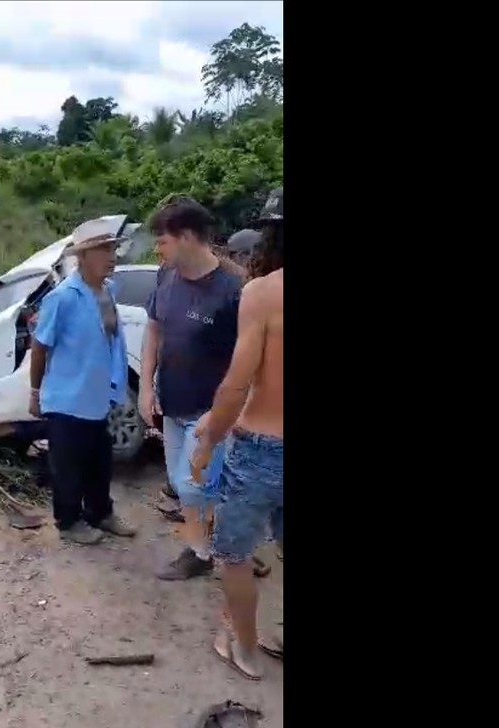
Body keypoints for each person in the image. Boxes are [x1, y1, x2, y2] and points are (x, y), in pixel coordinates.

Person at [191, 190, 283, 680]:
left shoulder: (264, 293)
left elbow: (237, 382)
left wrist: (208, 439)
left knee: (233, 555)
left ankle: (245, 650)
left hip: (264, 450)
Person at [139, 195, 244, 580]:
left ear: (185, 237)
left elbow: (248, 361)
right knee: (187, 487)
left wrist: (224, 414)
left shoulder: (233, 290)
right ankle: (207, 547)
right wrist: (146, 389)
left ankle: (216, 550)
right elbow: (153, 329)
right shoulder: (166, 277)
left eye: (162, 240)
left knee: (193, 486)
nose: (157, 247)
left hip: (212, 411)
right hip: (172, 403)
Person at [28, 220, 137, 545]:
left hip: (99, 397)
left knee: (99, 463)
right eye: (104, 250)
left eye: (113, 248)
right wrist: (35, 392)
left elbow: (111, 344)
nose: (112, 256)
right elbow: (39, 347)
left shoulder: (107, 292)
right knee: (68, 467)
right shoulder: (62, 298)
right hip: (67, 399)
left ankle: (101, 514)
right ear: (83, 257)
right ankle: (69, 522)